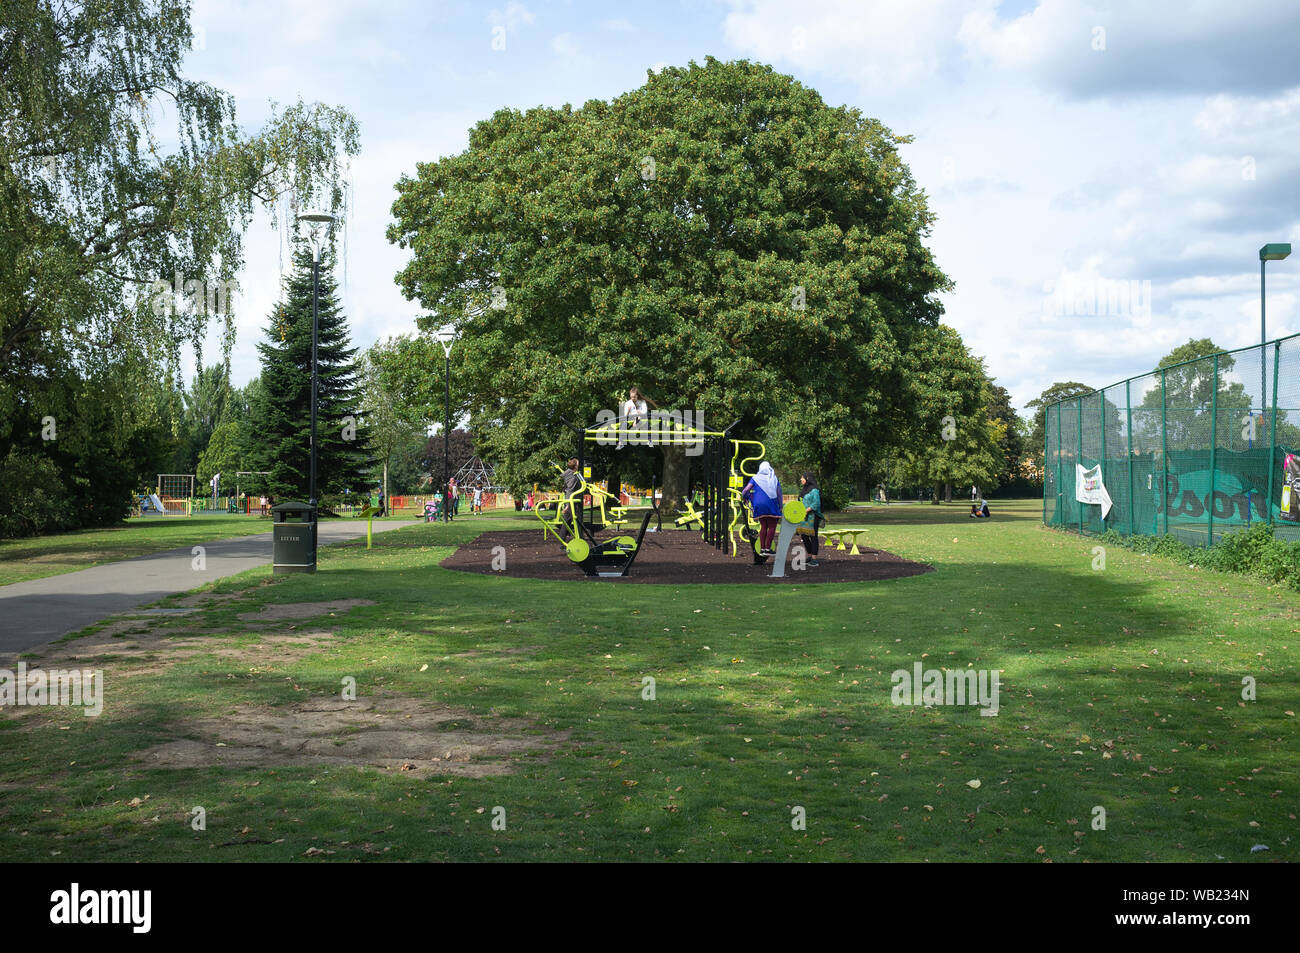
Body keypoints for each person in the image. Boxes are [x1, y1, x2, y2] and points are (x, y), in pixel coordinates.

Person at [740, 461, 782, 555]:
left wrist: (745, 497)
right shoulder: (774, 478)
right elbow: (779, 493)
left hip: (758, 505)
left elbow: (746, 490)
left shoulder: (755, 478)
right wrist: (780, 506)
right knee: (772, 526)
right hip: (771, 504)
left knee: (763, 526)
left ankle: (762, 549)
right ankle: (767, 549)